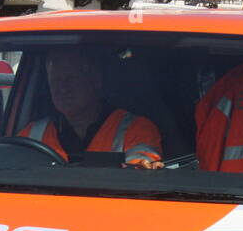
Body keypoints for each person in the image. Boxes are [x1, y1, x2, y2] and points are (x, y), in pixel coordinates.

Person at [18, 49, 163, 168]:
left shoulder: (135, 128)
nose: (62, 89)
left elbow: (141, 174)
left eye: (71, 79)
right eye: (55, 81)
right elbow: (8, 164)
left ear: (95, 81)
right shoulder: (33, 133)